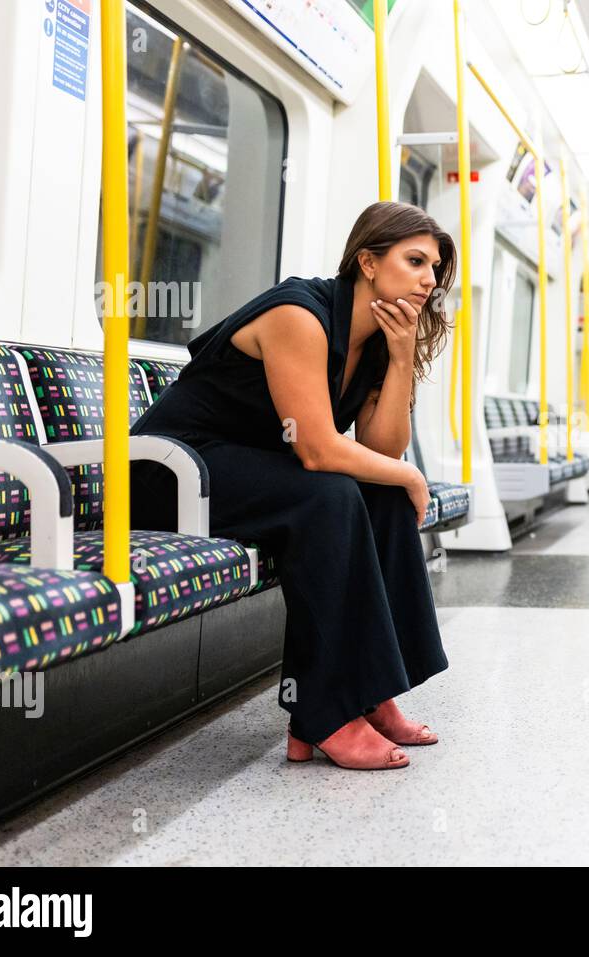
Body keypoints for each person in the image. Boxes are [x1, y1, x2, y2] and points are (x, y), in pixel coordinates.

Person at [130, 201, 455, 771]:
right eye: (415, 260)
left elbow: (382, 451)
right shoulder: (298, 315)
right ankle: (326, 714)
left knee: (379, 493)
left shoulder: (381, 338)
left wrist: (402, 357)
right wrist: (411, 474)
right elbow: (316, 449)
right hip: (170, 469)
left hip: (245, 468)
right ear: (368, 262)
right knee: (328, 495)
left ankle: (370, 693)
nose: (429, 278)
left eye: (435, 266)